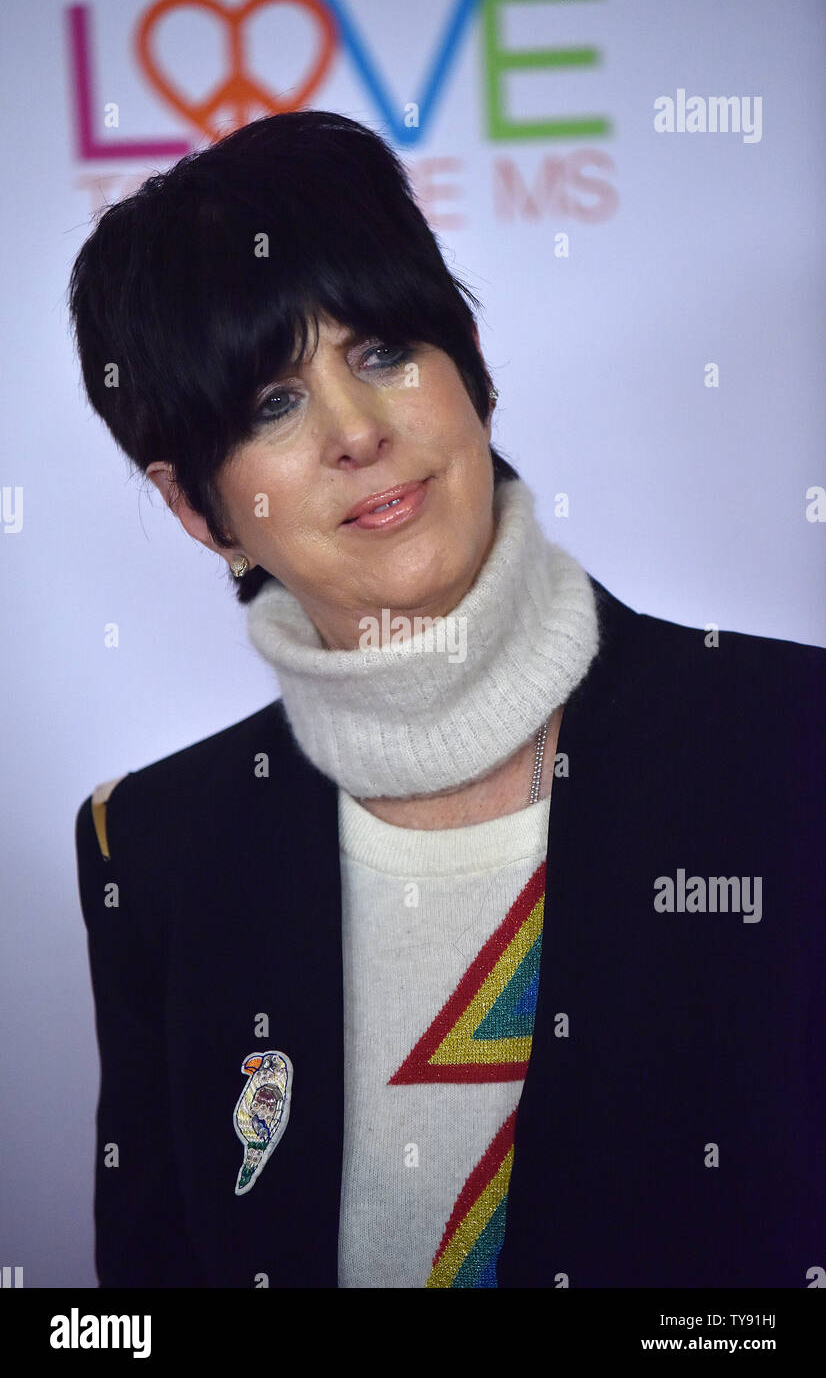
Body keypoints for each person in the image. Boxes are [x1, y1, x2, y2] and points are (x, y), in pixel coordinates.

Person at [70, 109, 824, 1290]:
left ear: (467, 364)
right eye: (271, 404)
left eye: (381, 352)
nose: (357, 432)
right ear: (197, 511)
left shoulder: (791, 736)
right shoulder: (151, 845)